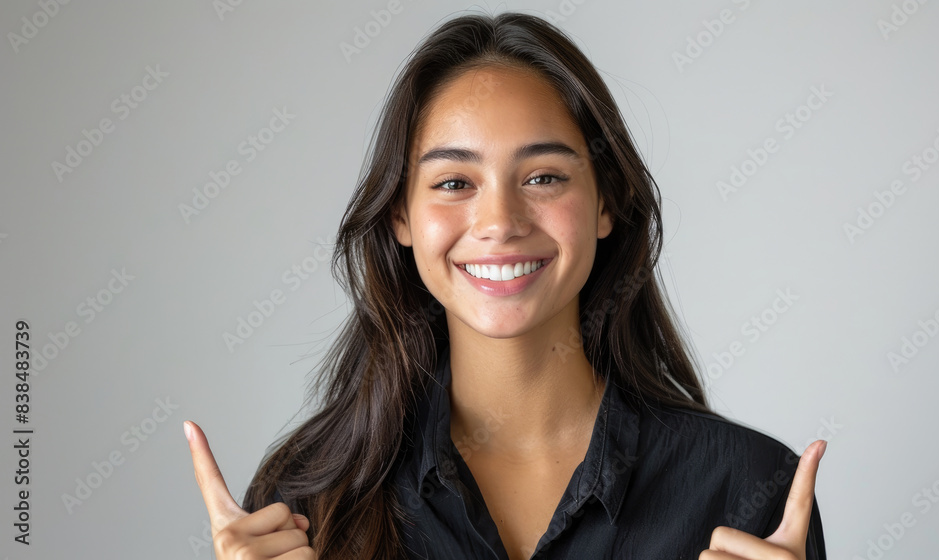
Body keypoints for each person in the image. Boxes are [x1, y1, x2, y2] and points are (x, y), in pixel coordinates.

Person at [184, 11, 828, 560]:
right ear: (401, 215)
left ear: (606, 203)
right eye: (454, 183)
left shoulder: (749, 490)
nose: (499, 222)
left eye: (543, 177)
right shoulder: (307, 502)